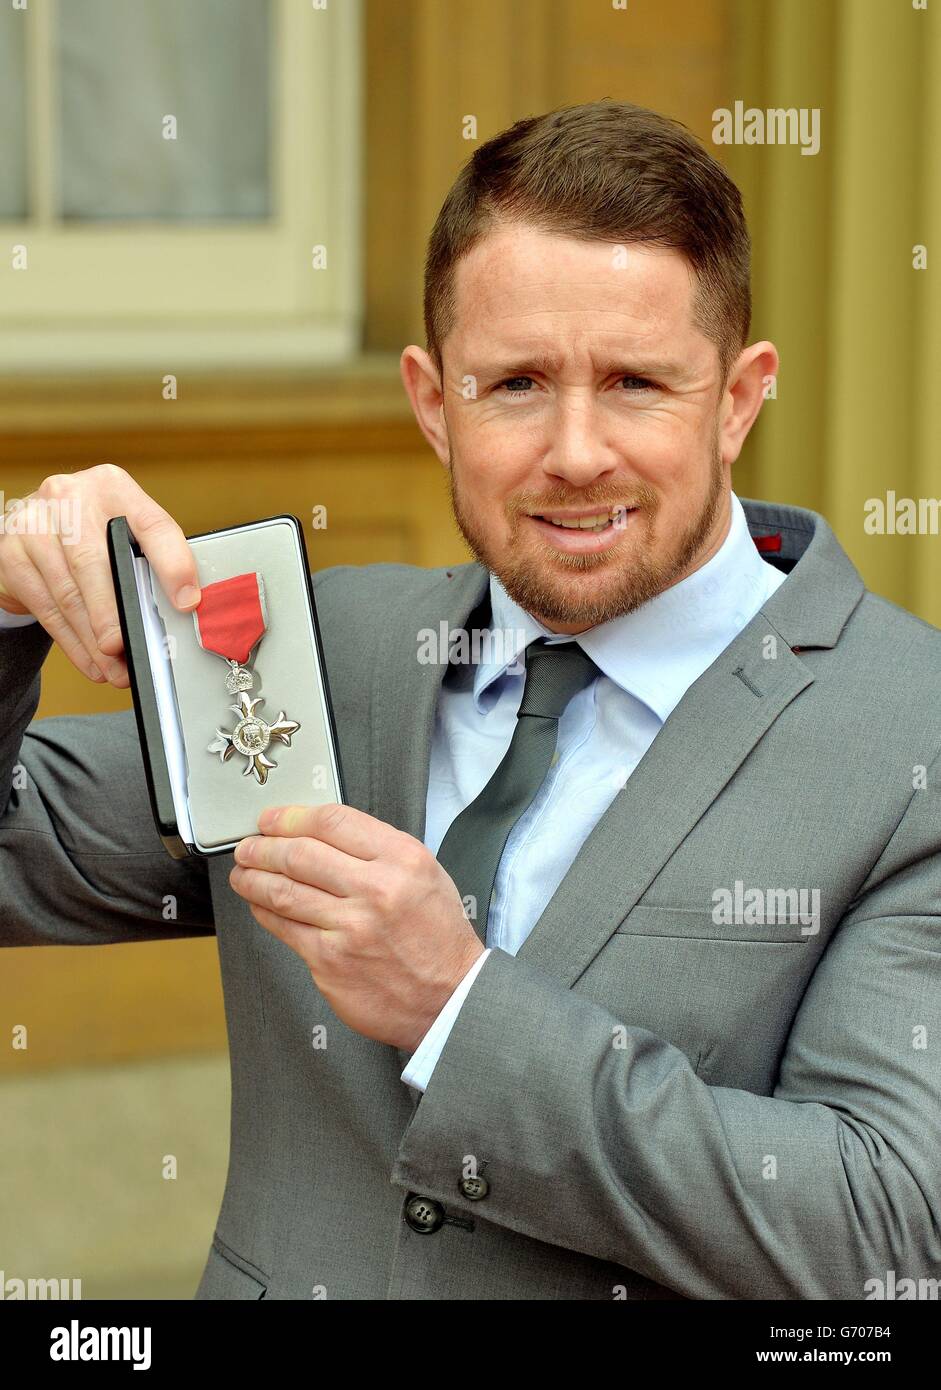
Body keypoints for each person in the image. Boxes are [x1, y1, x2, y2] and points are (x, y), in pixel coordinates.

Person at [2, 100, 939, 1301]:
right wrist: (8, 584)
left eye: (637, 382)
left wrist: (455, 1007)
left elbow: (884, 1235)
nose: (575, 451)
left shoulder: (906, 735)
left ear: (739, 397)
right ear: (434, 401)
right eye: (515, 384)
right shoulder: (313, 650)